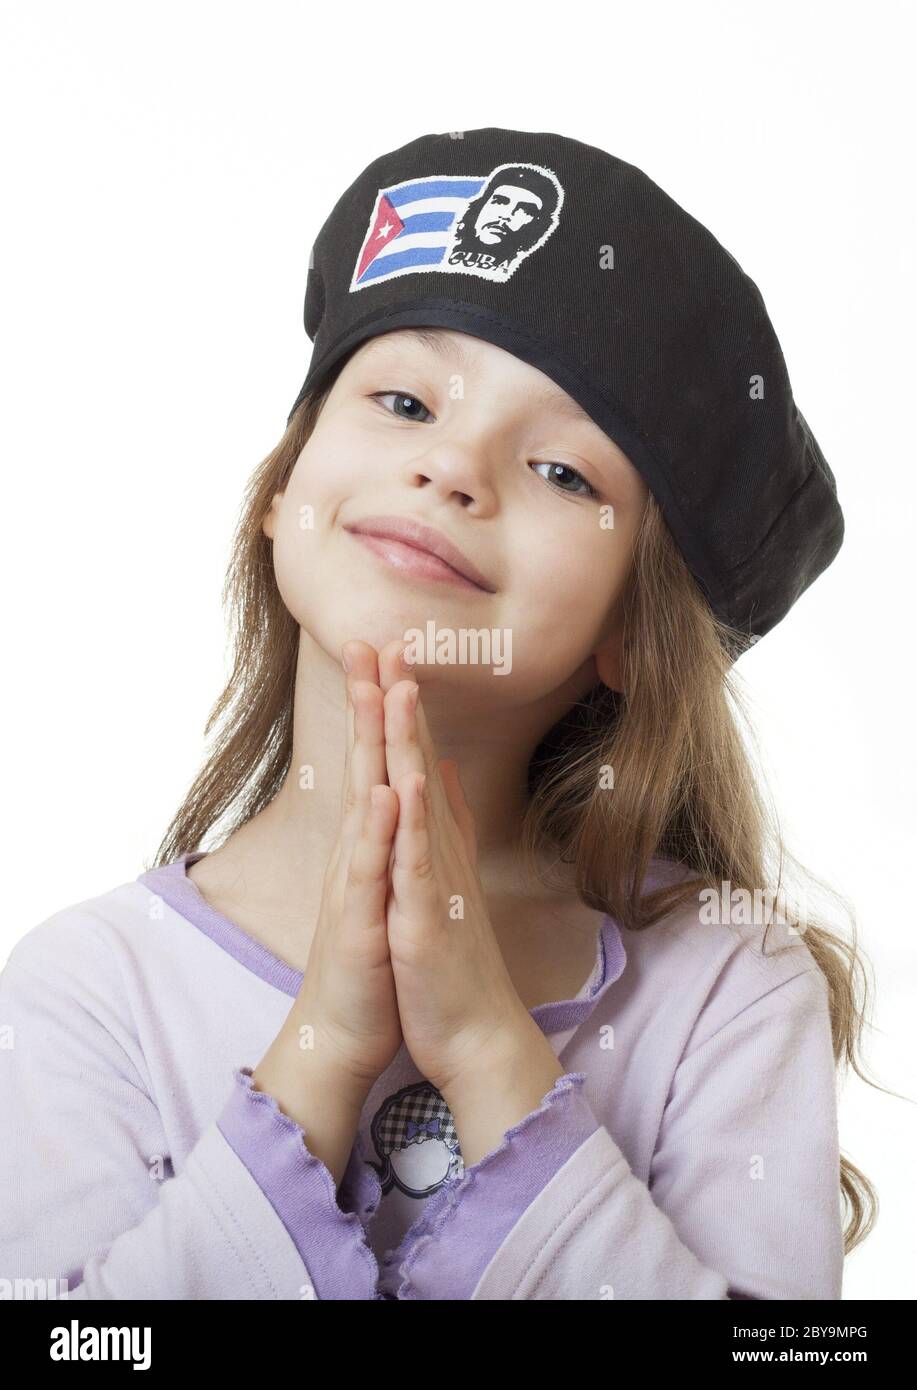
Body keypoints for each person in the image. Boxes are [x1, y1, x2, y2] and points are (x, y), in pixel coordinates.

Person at [0, 128, 877, 1301]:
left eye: (565, 472)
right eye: (404, 399)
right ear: (280, 489)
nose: (453, 464)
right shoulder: (87, 986)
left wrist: (486, 1048)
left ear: (632, 631)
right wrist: (317, 1057)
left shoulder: (729, 985)